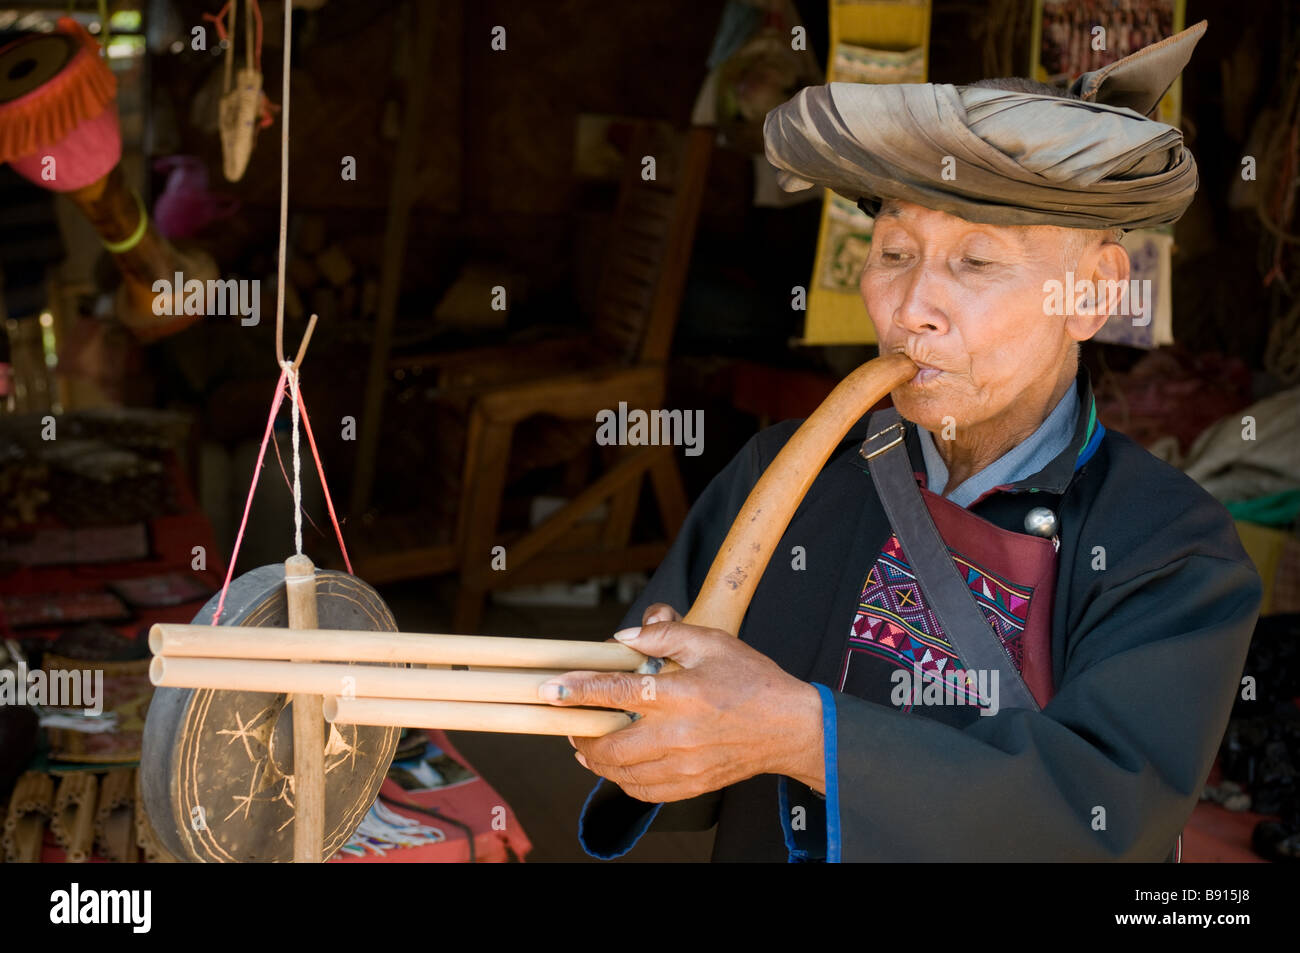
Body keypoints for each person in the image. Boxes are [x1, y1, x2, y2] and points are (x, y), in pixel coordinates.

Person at [537, 21, 1263, 862]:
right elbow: (657, 721)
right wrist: (639, 722)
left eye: (977, 262)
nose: (913, 305)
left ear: (1091, 293)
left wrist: (806, 736)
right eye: (894, 251)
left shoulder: (1172, 548)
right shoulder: (781, 472)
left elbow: (1101, 817)